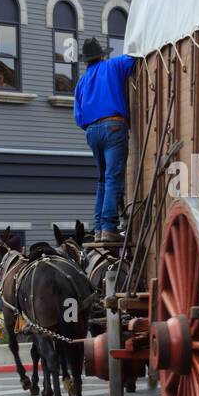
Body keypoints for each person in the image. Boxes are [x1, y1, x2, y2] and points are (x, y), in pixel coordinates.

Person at [73, 36, 136, 244]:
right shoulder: (113, 65)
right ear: (101, 55)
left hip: (92, 131)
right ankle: (109, 226)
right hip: (113, 125)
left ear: (86, 61)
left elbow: (78, 117)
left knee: (102, 180)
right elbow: (134, 59)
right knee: (112, 178)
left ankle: (100, 227)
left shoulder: (82, 82)